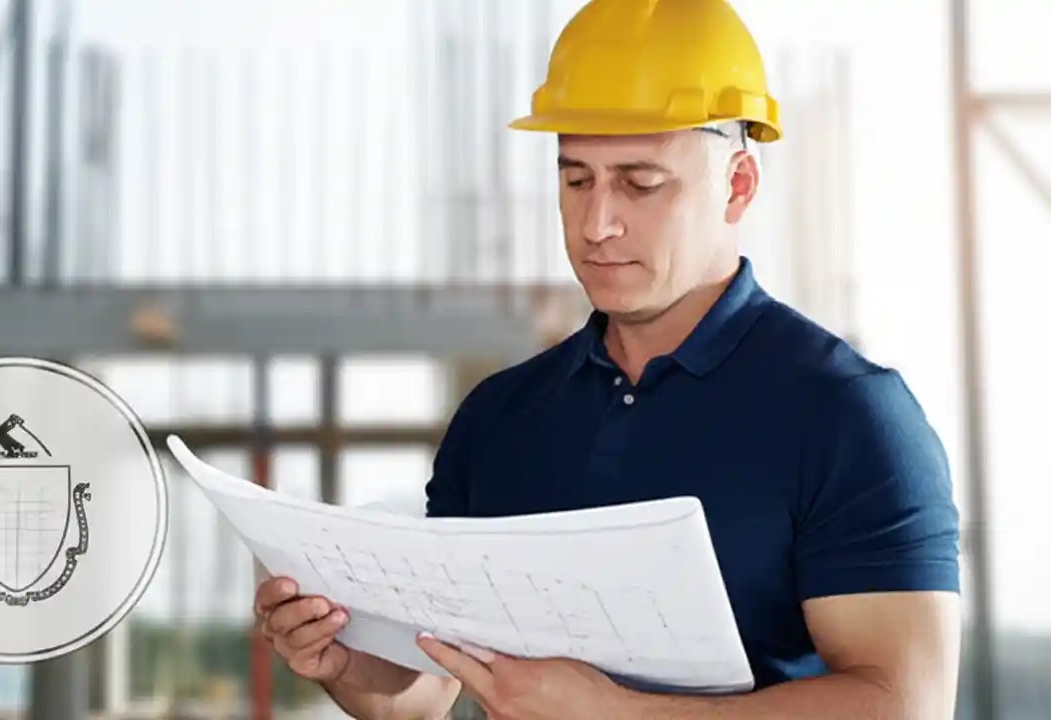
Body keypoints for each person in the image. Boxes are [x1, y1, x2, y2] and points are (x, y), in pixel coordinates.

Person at [253, 0, 961, 717]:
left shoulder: (847, 415)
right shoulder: (499, 418)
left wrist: (621, 713)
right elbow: (430, 689)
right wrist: (345, 663)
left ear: (738, 184)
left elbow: (904, 704)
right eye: (576, 180)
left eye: (640, 183)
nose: (598, 224)